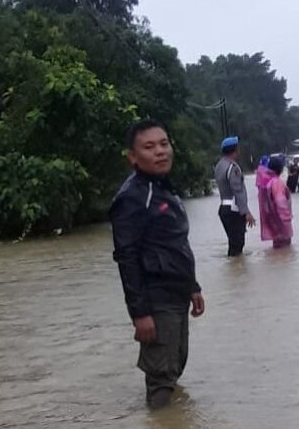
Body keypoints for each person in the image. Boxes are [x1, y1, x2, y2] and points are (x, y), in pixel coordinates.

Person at [110, 119, 206, 409]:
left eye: (164, 144)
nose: (160, 151)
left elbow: (176, 243)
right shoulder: (133, 197)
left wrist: (193, 286)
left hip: (177, 294)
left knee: (175, 365)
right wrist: (140, 314)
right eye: (149, 147)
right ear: (132, 157)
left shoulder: (164, 188)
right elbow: (126, 257)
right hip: (156, 299)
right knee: (161, 378)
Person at [215, 136, 256, 256]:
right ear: (235, 149)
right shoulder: (233, 168)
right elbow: (238, 191)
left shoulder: (219, 166)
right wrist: (246, 212)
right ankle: (237, 270)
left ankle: (234, 271)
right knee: (238, 244)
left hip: (224, 208)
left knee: (233, 244)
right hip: (234, 209)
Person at [258, 155, 294, 248]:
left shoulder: (266, 183)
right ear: (281, 169)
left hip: (272, 221)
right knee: (285, 250)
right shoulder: (277, 183)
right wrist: (286, 219)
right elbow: (280, 202)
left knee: (278, 250)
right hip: (281, 222)